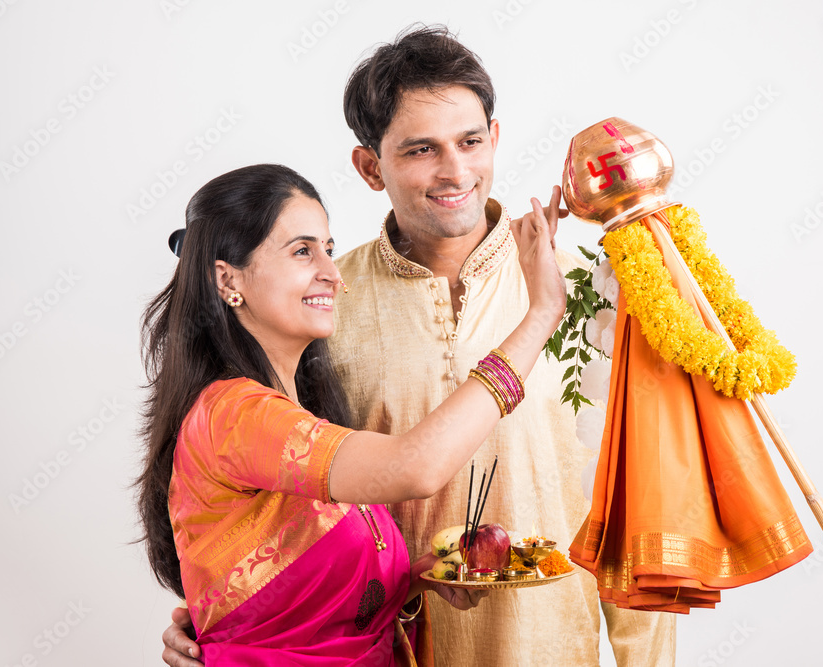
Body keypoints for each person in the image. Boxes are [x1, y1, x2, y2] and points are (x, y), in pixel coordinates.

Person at [161, 26, 676, 666]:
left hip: (554, 646)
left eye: (470, 141)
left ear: (496, 137)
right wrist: (226, 622)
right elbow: (282, 507)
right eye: (421, 150)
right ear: (370, 167)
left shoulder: (579, 284)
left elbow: (631, 493)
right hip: (398, 650)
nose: (455, 171)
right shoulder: (321, 307)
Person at [138, 162, 567, 665]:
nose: (332, 274)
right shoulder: (234, 414)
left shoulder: (302, 412)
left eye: (329, 249)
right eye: (302, 251)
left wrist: (410, 580)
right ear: (227, 278)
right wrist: (540, 316)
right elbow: (415, 468)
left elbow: (308, 606)